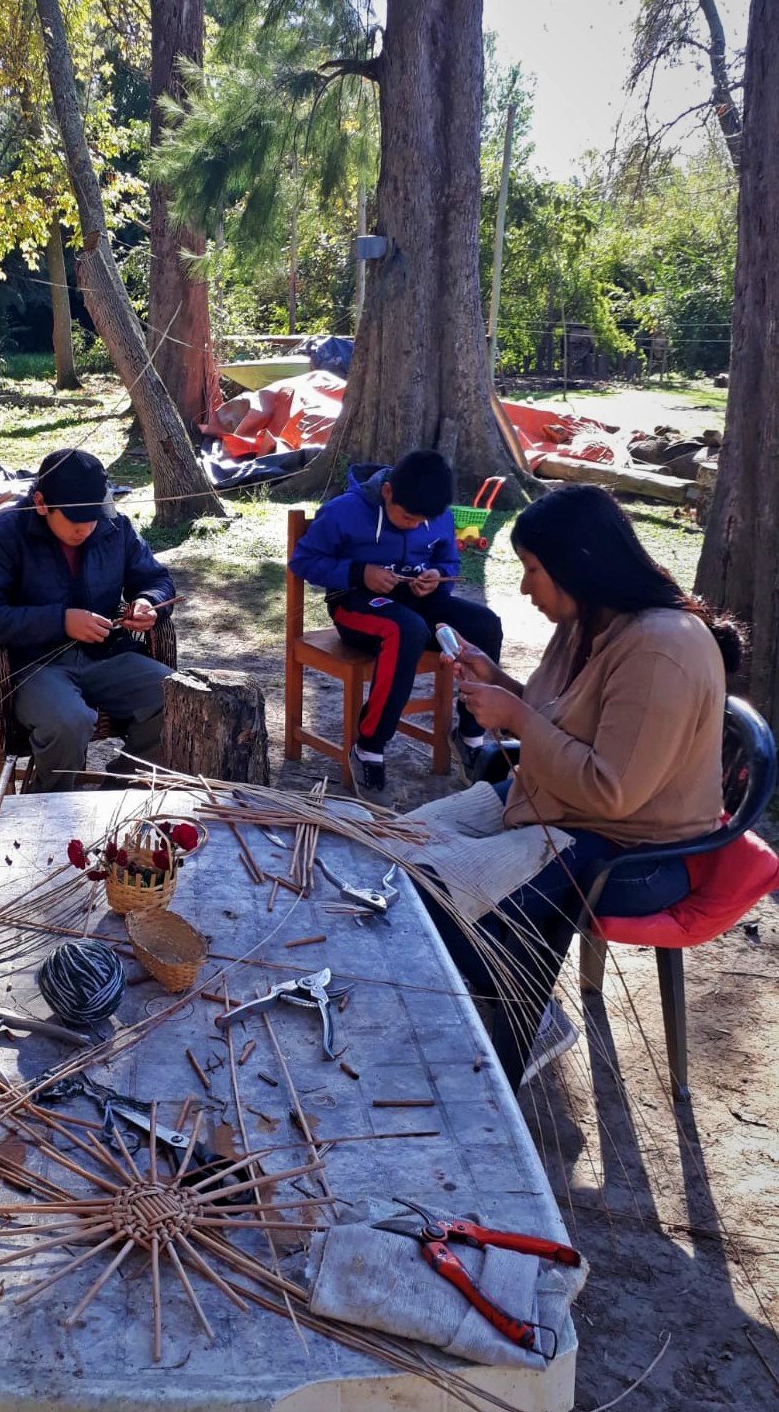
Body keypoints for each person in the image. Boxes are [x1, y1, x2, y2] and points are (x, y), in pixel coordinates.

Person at [433, 483, 742, 1089]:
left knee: (435, 893)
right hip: (559, 802)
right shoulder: (590, 619)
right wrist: (500, 683)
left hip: (635, 851)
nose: (526, 588)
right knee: (397, 847)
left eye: (534, 570)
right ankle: (508, 1002)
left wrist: (516, 719)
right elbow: (568, 722)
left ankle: (530, 1018)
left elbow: (611, 790)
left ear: (580, 563)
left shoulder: (660, 648)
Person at [0, 448, 176, 791]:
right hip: (33, 666)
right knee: (68, 721)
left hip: (105, 656)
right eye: (76, 519)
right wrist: (60, 621)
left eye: (95, 516)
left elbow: (157, 580)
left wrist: (149, 602)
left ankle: (119, 792)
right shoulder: (7, 535)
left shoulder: (114, 527)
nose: (87, 528)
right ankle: (48, 810)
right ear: (42, 502)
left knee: (177, 698)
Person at [288, 449, 504, 795]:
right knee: (405, 630)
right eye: (408, 518)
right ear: (387, 492)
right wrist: (359, 573)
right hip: (355, 603)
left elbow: (448, 561)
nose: (416, 525)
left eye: (423, 522)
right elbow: (303, 561)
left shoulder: (439, 515)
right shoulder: (344, 511)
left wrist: (438, 575)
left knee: (485, 624)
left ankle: (470, 735)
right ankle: (369, 747)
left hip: (418, 602)